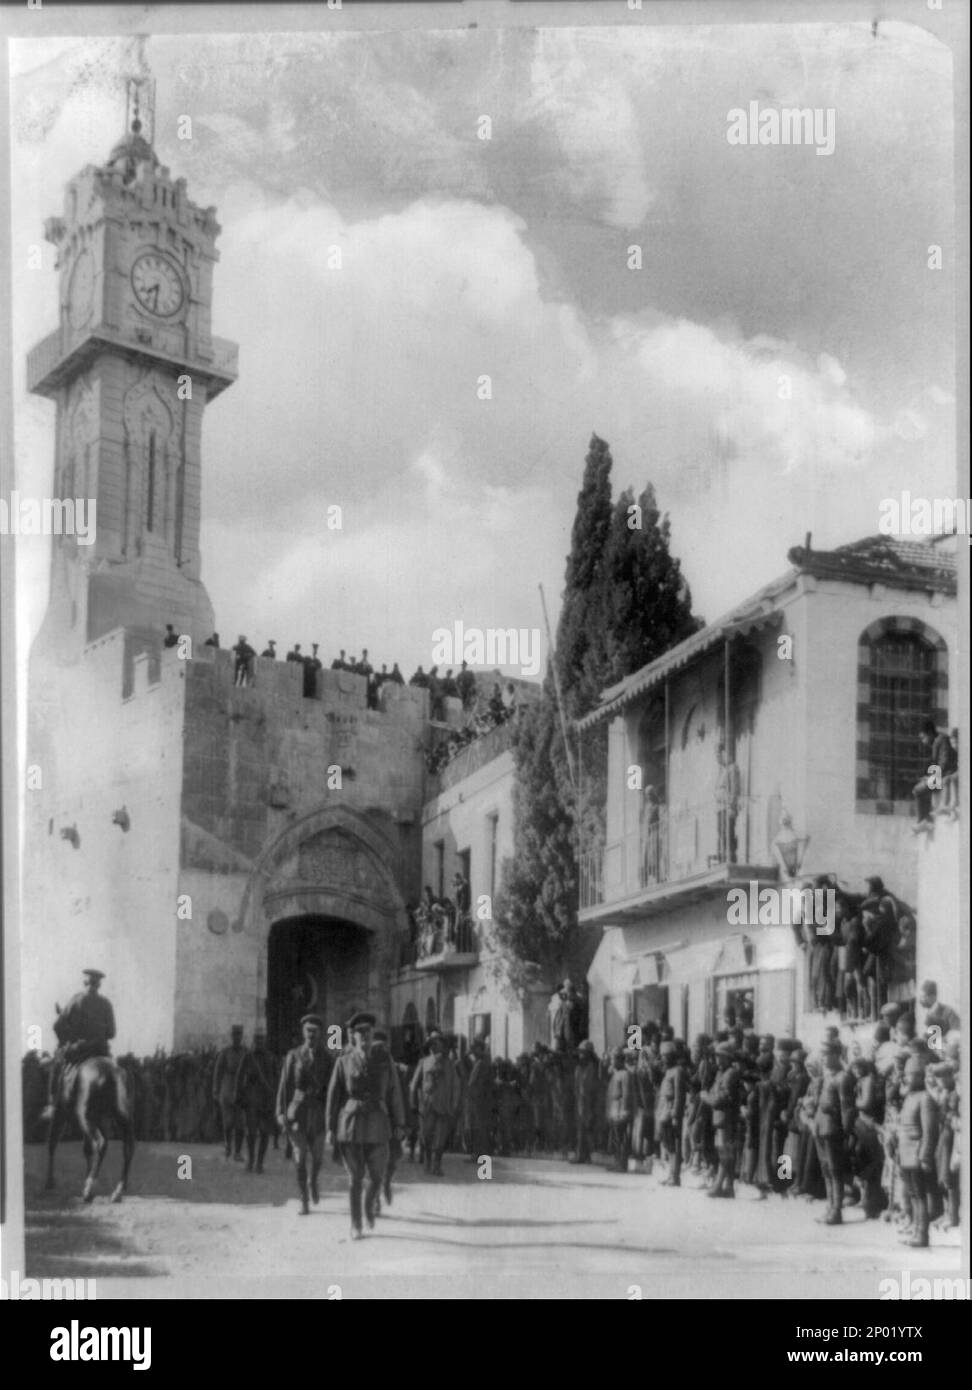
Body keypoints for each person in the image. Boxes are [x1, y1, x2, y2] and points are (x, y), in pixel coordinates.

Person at [325, 1012, 404, 1239]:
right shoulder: (343, 1061)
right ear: (353, 1035)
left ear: (372, 1034)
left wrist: (399, 1122)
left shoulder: (384, 1060)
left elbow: (394, 1091)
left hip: (378, 1123)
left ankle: (369, 1206)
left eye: (368, 1032)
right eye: (359, 1032)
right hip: (351, 1125)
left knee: (377, 1176)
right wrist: (330, 1127)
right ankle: (356, 1223)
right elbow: (333, 1096)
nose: (364, 1036)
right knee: (355, 1178)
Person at [41, 968, 116, 1121]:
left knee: (57, 1066)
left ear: (85, 982)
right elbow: (112, 1033)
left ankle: (52, 1106)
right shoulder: (107, 1003)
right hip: (102, 1051)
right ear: (99, 985)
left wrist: (67, 1041)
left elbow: (57, 1026)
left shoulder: (76, 999)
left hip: (81, 1050)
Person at [277, 1014, 333, 1215]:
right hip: (297, 1112)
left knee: (317, 1158)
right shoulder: (293, 1056)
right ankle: (304, 1200)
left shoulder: (327, 1058)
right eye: (308, 1030)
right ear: (303, 1032)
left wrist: (332, 1117)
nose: (311, 1035)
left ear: (320, 1034)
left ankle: (313, 1181)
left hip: (317, 1113)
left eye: (315, 1031)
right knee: (300, 1159)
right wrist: (280, 1113)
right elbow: (284, 1087)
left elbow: (331, 1090)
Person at [897, 1055, 940, 1247]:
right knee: (913, 1194)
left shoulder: (926, 1099)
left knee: (920, 1195)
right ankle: (915, 1230)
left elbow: (930, 1132)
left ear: (920, 1076)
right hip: (905, 1153)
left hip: (916, 1154)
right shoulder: (909, 1097)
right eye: (906, 1075)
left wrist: (925, 1156)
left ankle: (922, 1234)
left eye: (911, 1075)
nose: (907, 1078)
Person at [813, 1040, 855, 1224]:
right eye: (822, 1054)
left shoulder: (842, 1077)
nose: (822, 1058)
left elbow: (846, 1108)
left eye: (826, 1054)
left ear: (836, 1055)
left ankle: (836, 1210)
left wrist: (846, 1132)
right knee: (826, 1171)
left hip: (833, 1129)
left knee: (835, 1171)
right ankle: (830, 1207)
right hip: (822, 1128)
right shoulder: (828, 1076)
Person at [409, 1028, 460, 1177]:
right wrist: (413, 1102)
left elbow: (456, 1086)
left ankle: (437, 1165)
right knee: (426, 1136)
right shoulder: (423, 1062)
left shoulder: (450, 1065)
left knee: (440, 1138)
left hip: (444, 1106)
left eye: (437, 1044)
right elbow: (414, 1084)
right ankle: (427, 1162)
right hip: (426, 1106)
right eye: (432, 1044)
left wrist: (455, 1104)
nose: (434, 1047)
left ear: (443, 1046)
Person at [235, 1031, 277, 1174]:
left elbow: (277, 1078)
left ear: (265, 1041)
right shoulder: (248, 1057)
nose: (259, 1043)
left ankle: (259, 1162)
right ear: (254, 1041)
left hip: (266, 1099)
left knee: (264, 1132)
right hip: (251, 1099)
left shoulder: (271, 1058)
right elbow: (239, 1077)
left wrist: (275, 1097)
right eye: (257, 1040)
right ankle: (251, 1161)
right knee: (251, 1133)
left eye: (261, 1040)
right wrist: (238, 1096)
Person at [706, 1041, 742, 1197]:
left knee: (724, 1152)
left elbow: (722, 1098)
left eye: (720, 1057)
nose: (717, 1060)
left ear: (727, 1058)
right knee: (725, 1152)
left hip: (726, 1118)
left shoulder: (730, 1074)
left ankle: (719, 1184)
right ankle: (729, 1186)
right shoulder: (721, 1073)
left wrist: (707, 1098)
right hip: (720, 1118)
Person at [912, 718, 957, 826]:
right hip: (941, 776)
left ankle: (923, 821)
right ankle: (926, 819)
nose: (923, 741)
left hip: (946, 776)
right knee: (922, 787)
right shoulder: (937, 742)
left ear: (930, 733)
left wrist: (932, 777)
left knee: (917, 790)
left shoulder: (942, 740)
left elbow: (944, 763)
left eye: (923, 737)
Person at [657, 1040, 689, 1186]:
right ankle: (671, 1174)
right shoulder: (668, 1071)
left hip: (671, 1112)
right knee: (668, 1144)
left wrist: (676, 1115)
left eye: (665, 1056)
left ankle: (675, 1176)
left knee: (674, 1145)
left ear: (672, 1056)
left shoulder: (678, 1071)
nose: (663, 1058)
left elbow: (679, 1096)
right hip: (664, 1111)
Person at [213, 1025, 247, 1161]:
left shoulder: (246, 1052)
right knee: (228, 1123)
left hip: (242, 1091)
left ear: (242, 1036)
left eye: (239, 1035)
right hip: (227, 1089)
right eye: (235, 1035)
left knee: (240, 1124)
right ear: (231, 1036)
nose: (237, 1038)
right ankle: (228, 1145)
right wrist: (215, 1089)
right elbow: (218, 1072)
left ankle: (237, 1152)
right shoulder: (225, 1053)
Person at [605, 1047, 634, 1173]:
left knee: (621, 1138)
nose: (611, 1062)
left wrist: (624, 1112)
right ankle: (617, 1162)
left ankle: (622, 1164)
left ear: (619, 1060)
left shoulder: (625, 1074)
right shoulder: (615, 1074)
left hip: (620, 1110)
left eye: (613, 1059)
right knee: (616, 1138)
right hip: (614, 1109)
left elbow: (627, 1094)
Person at [464, 1038, 493, 1162]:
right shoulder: (482, 1061)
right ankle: (480, 1153)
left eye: (475, 1048)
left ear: (480, 1049)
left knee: (477, 1126)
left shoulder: (481, 1063)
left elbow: (472, 1082)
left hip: (478, 1098)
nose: (473, 1051)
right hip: (479, 1098)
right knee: (479, 1126)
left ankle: (478, 1154)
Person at [715, 743, 741, 863]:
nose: (717, 757)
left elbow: (734, 789)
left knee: (728, 833)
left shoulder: (732, 768)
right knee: (721, 833)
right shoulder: (722, 771)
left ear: (725, 753)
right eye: (716, 755)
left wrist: (732, 806)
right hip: (720, 808)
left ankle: (730, 858)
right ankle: (724, 857)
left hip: (727, 807)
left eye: (719, 754)